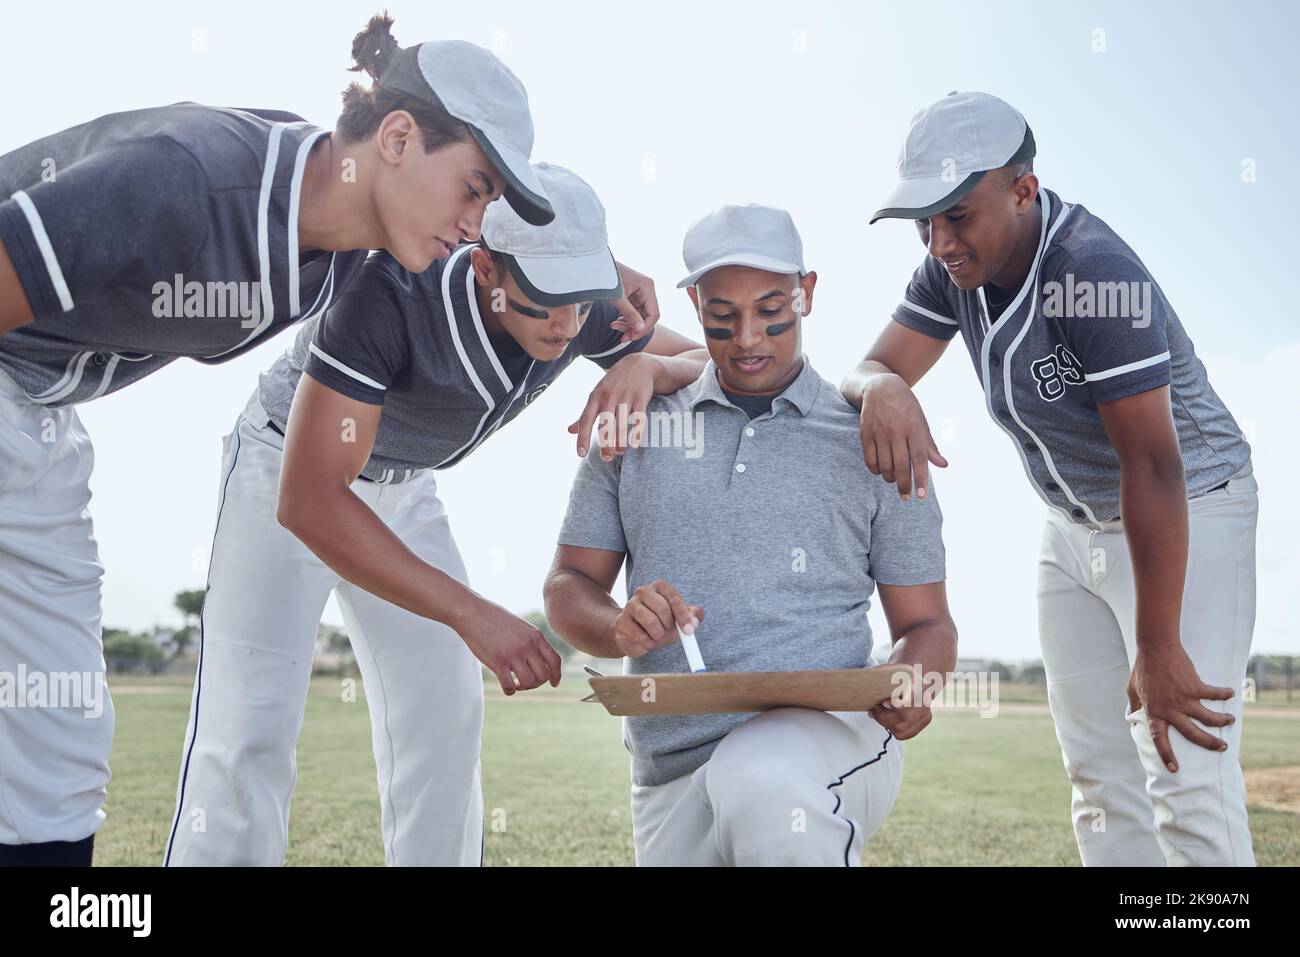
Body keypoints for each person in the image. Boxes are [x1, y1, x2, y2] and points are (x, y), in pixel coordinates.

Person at [0, 12, 570, 868]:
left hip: (41, 413)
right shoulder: (196, 181)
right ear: (400, 137)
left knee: (58, 757)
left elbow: (557, 270)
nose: (476, 222)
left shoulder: (341, 241)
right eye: (475, 188)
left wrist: (632, 322)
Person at [165, 163, 704, 866]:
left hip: (403, 482)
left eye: (582, 300)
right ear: (485, 269)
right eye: (547, 301)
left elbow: (707, 359)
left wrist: (644, 367)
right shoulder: (386, 294)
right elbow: (309, 499)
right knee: (248, 725)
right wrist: (473, 613)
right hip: (287, 470)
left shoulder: (576, 301)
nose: (570, 324)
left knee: (444, 711)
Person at [841, 92, 1256, 866]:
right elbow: (869, 367)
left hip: (1188, 506)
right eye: (924, 221)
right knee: (1100, 777)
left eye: (956, 214)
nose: (938, 241)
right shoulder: (949, 271)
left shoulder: (1093, 270)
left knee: (1184, 768)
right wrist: (883, 386)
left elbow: (1155, 463)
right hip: (1070, 525)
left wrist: (1158, 643)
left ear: (1023, 190)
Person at [544, 204, 957, 866]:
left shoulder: (876, 436)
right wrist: (618, 623)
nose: (747, 338)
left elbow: (930, 624)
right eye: (721, 316)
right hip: (670, 762)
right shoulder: (636, 423)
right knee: (742, 778)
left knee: (757, 773)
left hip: (831, 739)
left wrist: (917, 679)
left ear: (808, 293)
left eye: (772, 310)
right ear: (692, 304)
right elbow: (568, 586)